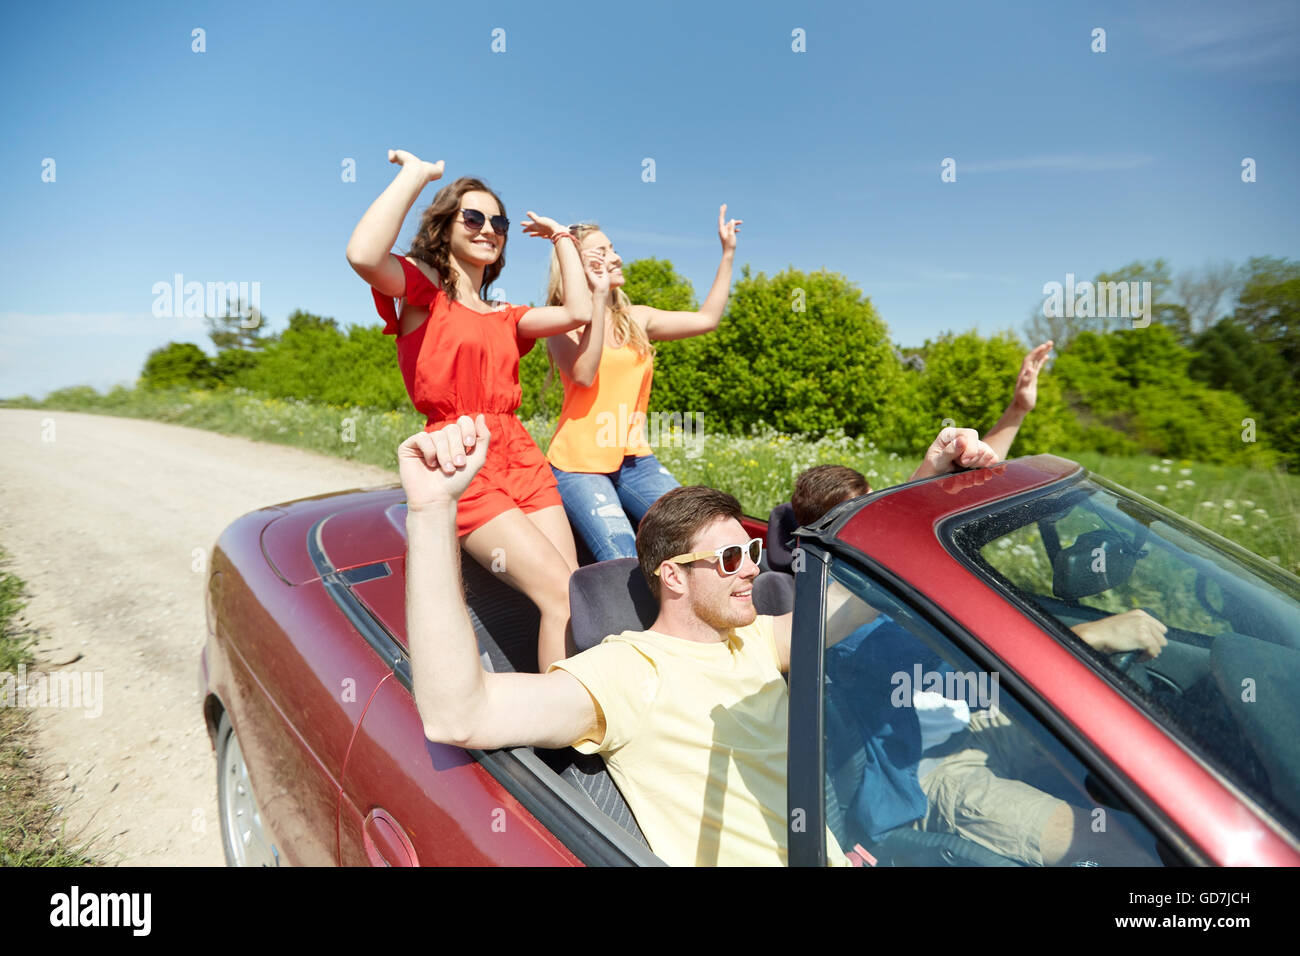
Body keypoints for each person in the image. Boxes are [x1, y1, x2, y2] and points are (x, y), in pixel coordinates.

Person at [398, 413, 849, 866]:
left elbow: (855, 603)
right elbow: (460, 716)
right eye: (731, 557)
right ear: (674, 576)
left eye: (751, 552)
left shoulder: (754, 638)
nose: (753, 568)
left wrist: (923, 478)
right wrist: (432, 511)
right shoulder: (632, 671)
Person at [790, 460, 1168, 865]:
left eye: (872, 505)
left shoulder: (877, 577)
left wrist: (1013, 414)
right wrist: (1092, 636)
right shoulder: (837, 620)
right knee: (1131, 848)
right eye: (857, 513)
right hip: (930, 774)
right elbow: (970, 672)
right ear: (829, 529)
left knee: (1138, 766)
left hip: (970, 723)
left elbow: (951, 501)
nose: (872, 519)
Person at [346, 148, 599, 671]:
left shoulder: (506, 316)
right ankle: (565, 731)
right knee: (556, 593)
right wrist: (415, 177)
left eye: (498, 221)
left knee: (575, 594)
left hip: (522, 454)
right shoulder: (424, 293)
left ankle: (581, 714)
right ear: (446, 225)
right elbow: (364, 255)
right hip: (461, 455)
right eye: (474, 217)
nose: (489, 228)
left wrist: (563, 239)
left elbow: (577, 310)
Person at [540, 208, 742, 561]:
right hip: (577, 464)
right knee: (623, 555)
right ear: (573, 266)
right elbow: (584, 375)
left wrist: (727, 253)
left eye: (613, 249)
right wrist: (598, 299)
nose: (615, 257)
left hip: (635, 459)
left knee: (705, 531)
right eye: (600, 254)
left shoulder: (638, 319)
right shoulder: (561, 321)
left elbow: (707, 319)